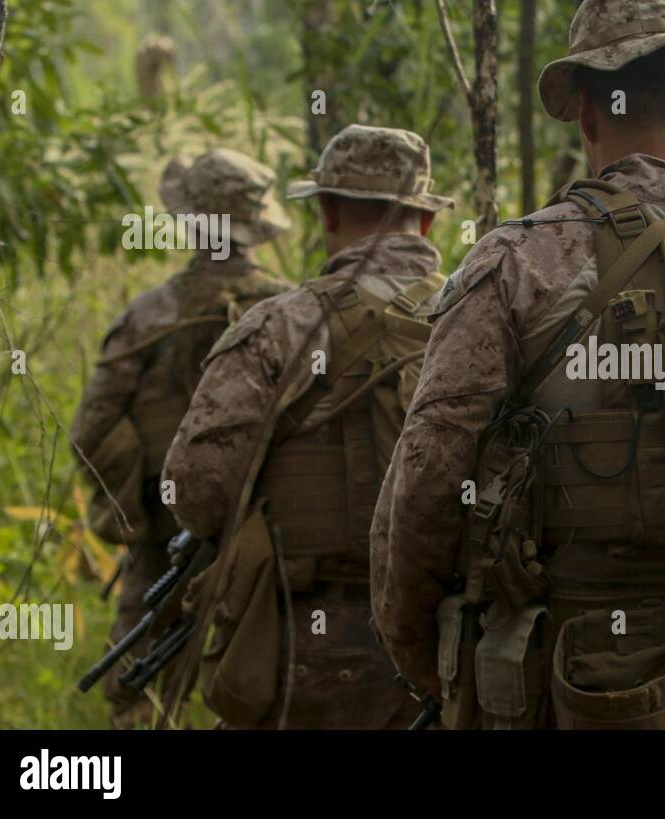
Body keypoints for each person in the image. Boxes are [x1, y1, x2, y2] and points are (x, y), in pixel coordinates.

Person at [371, 0, 665, 730]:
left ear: (588, 116)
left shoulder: (518, 263)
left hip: (576, 683)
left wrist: (427, 661)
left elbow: (427, 485)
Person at [161, 126, 453, 729]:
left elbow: (196, 493)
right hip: (450, 649)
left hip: (304, 648)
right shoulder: (483, 315)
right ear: (424, 222)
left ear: (327, 210)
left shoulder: (276, 327)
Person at [72, 148, 290, 728]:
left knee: (139, 689)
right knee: (261, 681)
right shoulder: (294, 312)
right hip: (266, 535)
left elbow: (91, 428)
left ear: (192, 223)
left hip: (165, 536)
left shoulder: (149, 314)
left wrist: (136, 511)